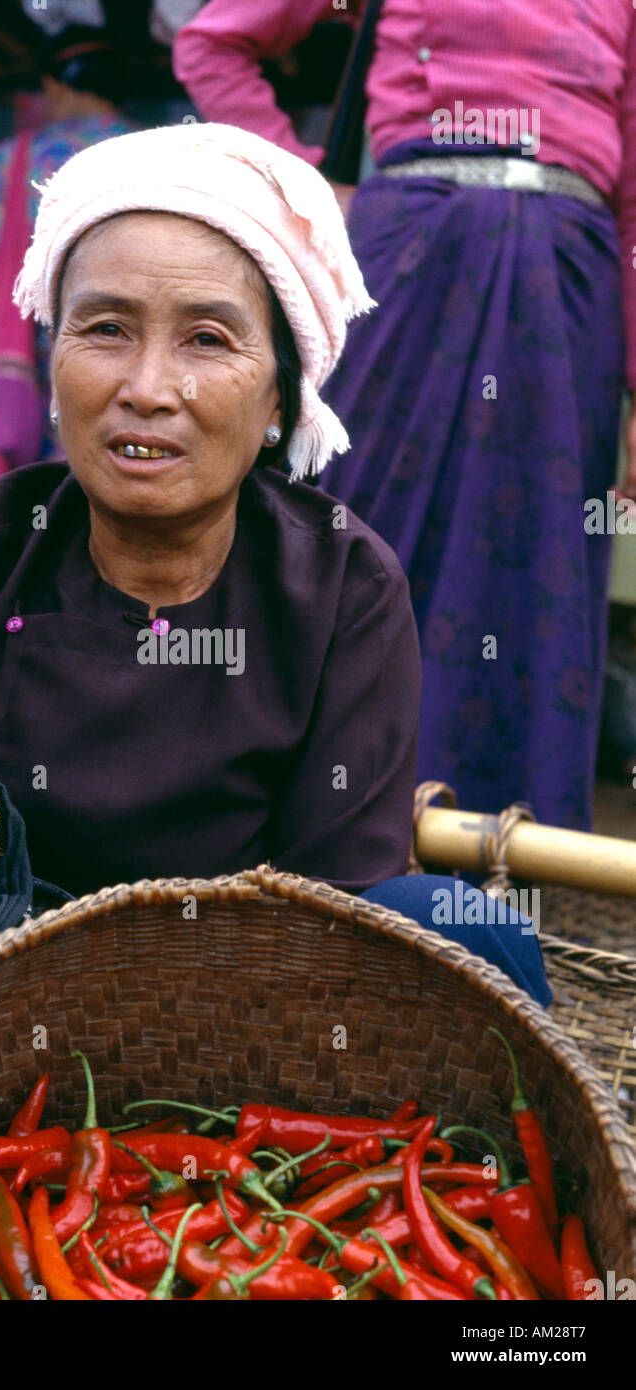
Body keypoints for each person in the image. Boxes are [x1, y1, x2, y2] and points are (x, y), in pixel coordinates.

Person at [0, 122, 550, 1091]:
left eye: (206, 340)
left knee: (462, 934)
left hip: (246, 1029)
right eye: (105, 328)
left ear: (278, 408)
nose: (146, 388)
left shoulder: (341, 583)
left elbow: (332, 921)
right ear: (52, 366)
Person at [173, 0, 635, 833]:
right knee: (364, 531)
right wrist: (308, 185)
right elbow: (215, 43)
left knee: (541, 562)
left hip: (573, 276)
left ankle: (506, 855)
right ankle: (325, 833)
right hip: (409, 251)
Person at [0, 27, 136, 468]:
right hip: (135, 357)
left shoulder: (5, 161)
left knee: (38, 503)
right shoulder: (166, 156)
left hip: (38, 369)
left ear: (54, 86)